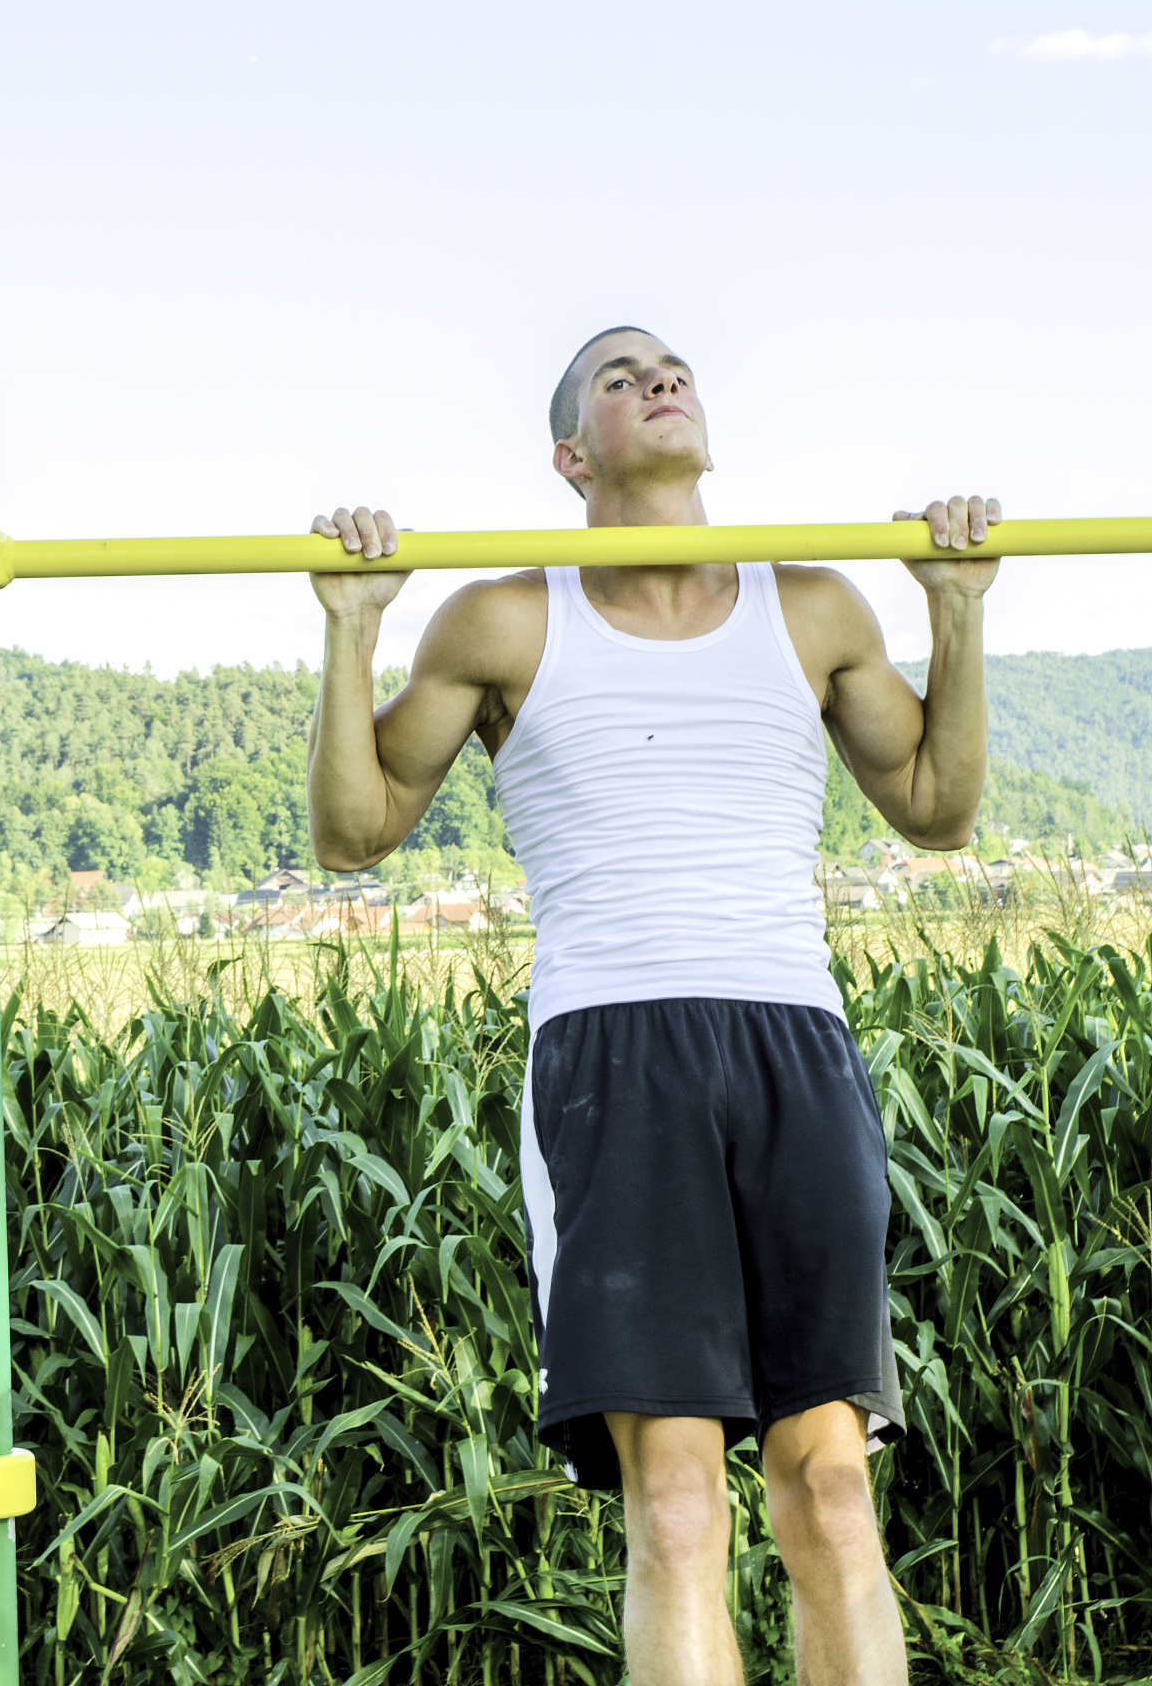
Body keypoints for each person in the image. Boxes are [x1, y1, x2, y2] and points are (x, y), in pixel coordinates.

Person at [305, 327, 1000, 1686]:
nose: (656, 381)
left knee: (831, 1488)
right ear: (572, 456)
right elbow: (352, 832)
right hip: (611, 1051)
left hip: (793, 1042)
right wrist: (350, 629)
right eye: (616, 379)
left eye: (671, 367)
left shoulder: (814, 606)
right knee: (676, 1503)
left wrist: (958, 613)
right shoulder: (504, 619)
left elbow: (937, 808)